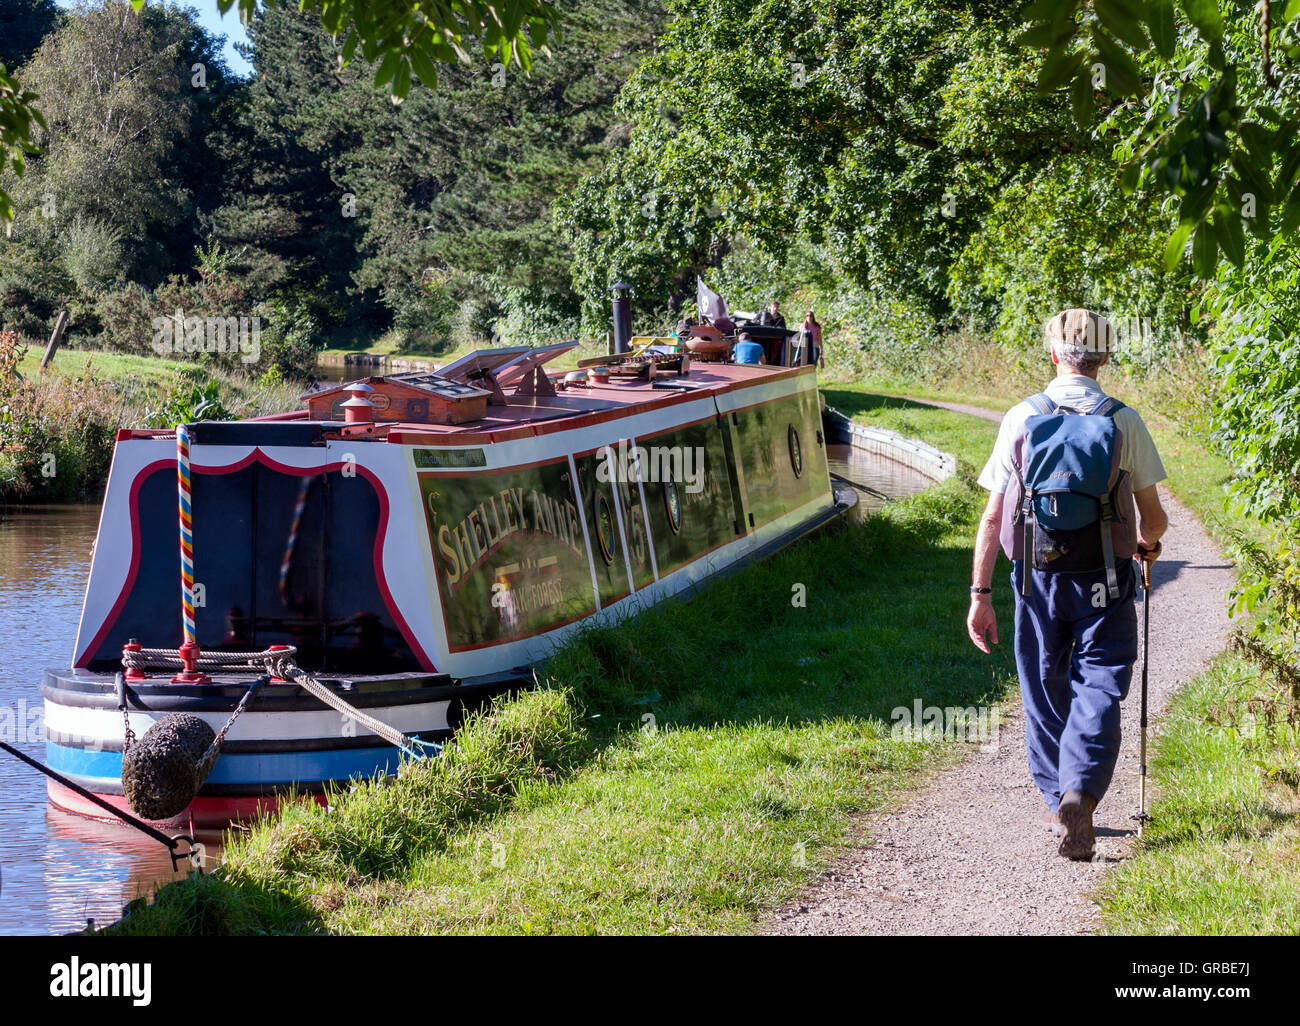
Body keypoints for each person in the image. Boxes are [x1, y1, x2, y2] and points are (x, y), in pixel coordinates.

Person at [966, 309, 1168, 861]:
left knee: (1043, 685)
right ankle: (1082, 789)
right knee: (1100, 682)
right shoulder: (1123, 420)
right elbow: (1153, 516)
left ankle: (1059, 796)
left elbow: (992, 517)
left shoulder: (1021, 417)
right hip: (1106, 578)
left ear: (1054, 355)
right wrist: (1149, 545)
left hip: (1036, 579)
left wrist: (980, 595)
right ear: (1104, 358)